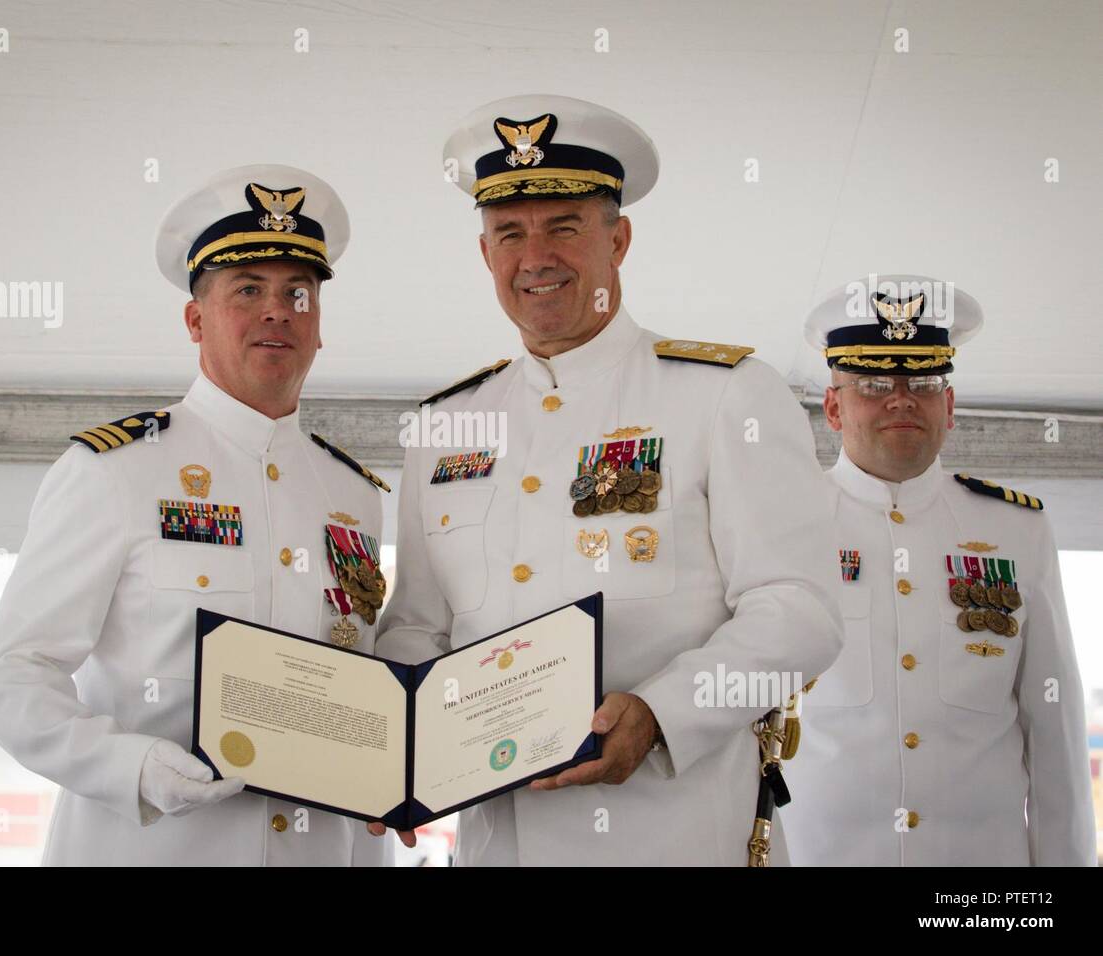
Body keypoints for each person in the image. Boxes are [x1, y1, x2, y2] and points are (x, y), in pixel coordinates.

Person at [374, 95, 843, 865]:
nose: (537, 258)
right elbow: (418, 625)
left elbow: (801, 611)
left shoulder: (725, 394)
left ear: (617, 239)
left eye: (564, 226)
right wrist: (389, 751)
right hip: (499, 842)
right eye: (510, 234)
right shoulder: (445, 425)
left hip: (675, 834)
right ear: (484, 253)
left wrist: (662, 712)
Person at [0, 165, 393, 865]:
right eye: (248, 291)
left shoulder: (353, 494)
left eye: (298, 293)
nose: (277, 311)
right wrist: (130, 767)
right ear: (196, 319)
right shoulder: (115, 471)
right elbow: (10, 679)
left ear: (318, 326)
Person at [782, 274, 1094, 865]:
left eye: (922, 379)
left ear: (948, 405)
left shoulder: (1016, 531)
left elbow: (1054, 734)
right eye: (873, 381)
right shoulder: (778, 526)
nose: (901, 397)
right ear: (832, 407)